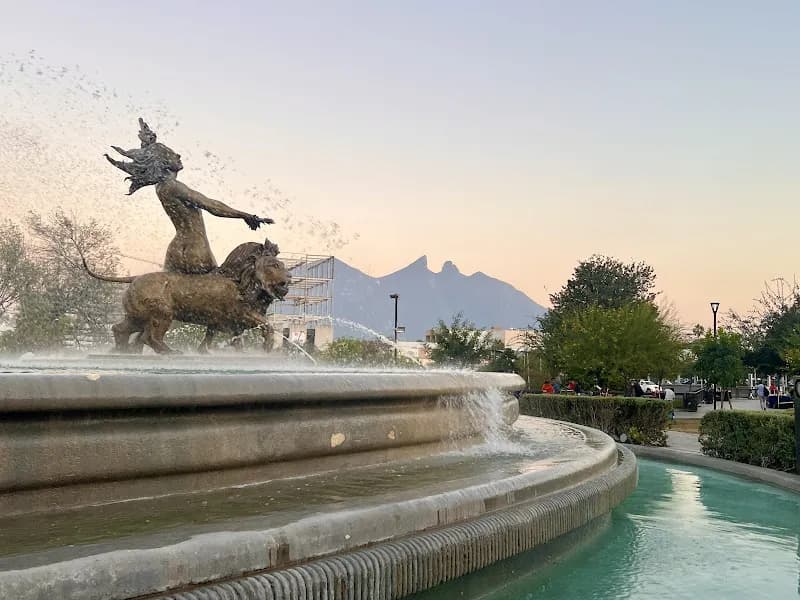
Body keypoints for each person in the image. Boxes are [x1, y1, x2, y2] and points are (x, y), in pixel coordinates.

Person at [106, 118, 274, 275]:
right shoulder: (173, 186)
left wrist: (150, 144)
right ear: (163, 163)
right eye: (171, 154)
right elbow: (210, 205)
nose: (178, 155)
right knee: (217, 292)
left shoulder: (161, 187)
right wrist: (246, 216)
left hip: (176, 249)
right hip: (195, 249)